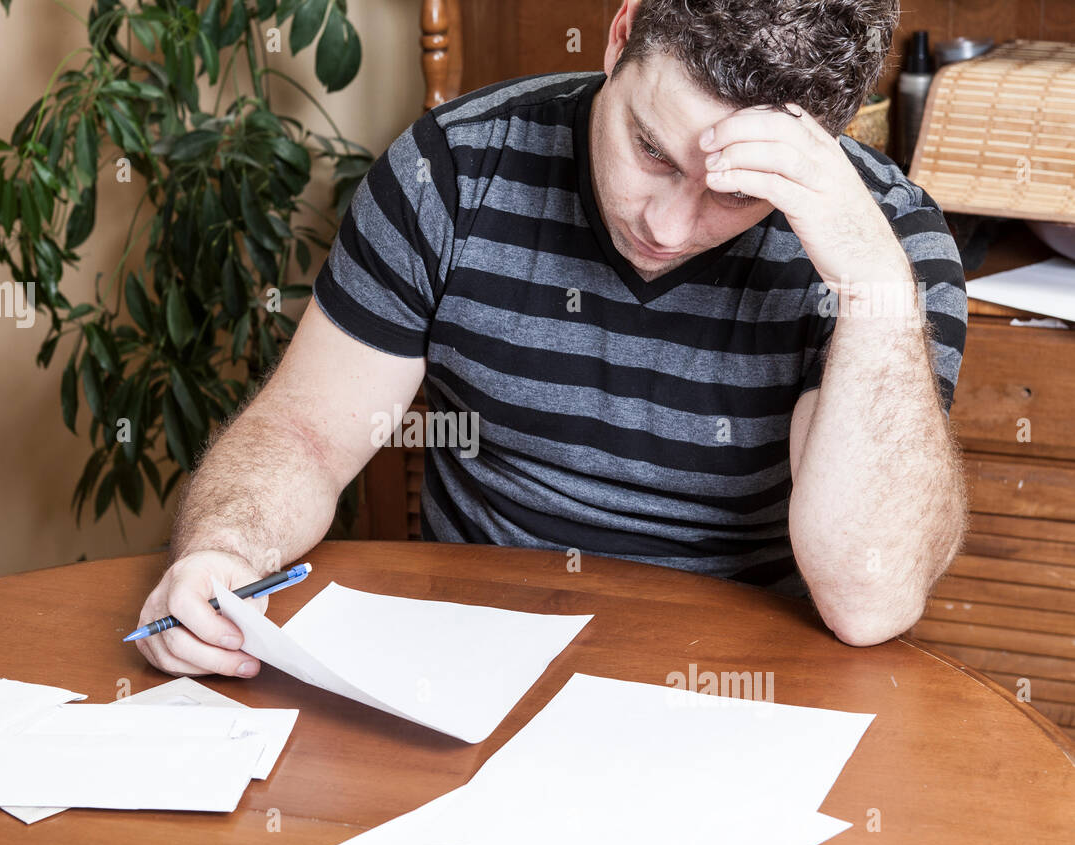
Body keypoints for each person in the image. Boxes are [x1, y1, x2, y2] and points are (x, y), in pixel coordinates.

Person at [135, 0, 968, 679]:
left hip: (741, 691)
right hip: (467, 672)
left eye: (738, 193)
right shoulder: (451, 171)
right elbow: (303, 435)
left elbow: (868, 598)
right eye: (650, 148)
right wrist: (225, 551)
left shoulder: (885, 248)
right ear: (619, 36)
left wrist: (873, 289)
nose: (668, 226)